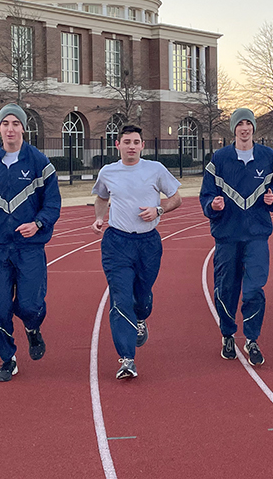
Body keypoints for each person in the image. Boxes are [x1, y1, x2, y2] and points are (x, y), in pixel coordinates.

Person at [0, 105, 62, 382]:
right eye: (5, 123)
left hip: (29, 246)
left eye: (16, 123)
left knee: (30, 305)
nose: (10, 128)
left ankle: (32, 327)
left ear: (23, 129)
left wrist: (38, 223)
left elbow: (52, 204)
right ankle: (8, 359)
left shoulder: (40, 162)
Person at [91, 125, 183, 380]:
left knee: (141, 299)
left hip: (148, 243)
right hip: (117, 243)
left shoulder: (155, 169)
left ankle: (141, 317)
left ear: (143, 145)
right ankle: (127, 358)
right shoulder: (108, 172)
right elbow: (100, 197)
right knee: (120, 298)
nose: (131, 146)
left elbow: (176, 198)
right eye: (126, 142)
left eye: (136, 142)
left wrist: (159, 210)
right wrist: (100, 218)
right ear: (117, 145)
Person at [201, 108, 273, 366]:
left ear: (254, 128)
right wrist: (212, 206)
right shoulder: (220, 158)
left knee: (254, 288)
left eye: (249, 124)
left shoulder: (268, 157)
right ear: (234, 129)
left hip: (257, 235)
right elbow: (206, 194)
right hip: (227, 236)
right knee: (226, 289)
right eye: (240, 124)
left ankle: (252, 338)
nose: (245, 128)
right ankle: (227, 334)